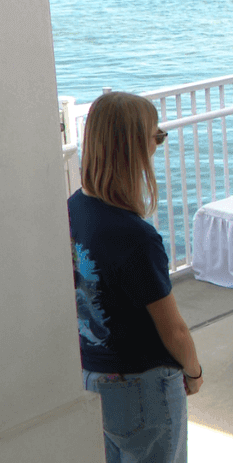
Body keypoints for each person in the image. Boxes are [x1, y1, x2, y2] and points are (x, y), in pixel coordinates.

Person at [69, 91, 204, 463]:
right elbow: (173, 330)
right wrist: (193, 371)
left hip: (93, 375)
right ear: (134, 148)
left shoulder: (73, 209)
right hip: (143, 385)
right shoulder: (136, 237)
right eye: (156, 137)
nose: (158, 145)